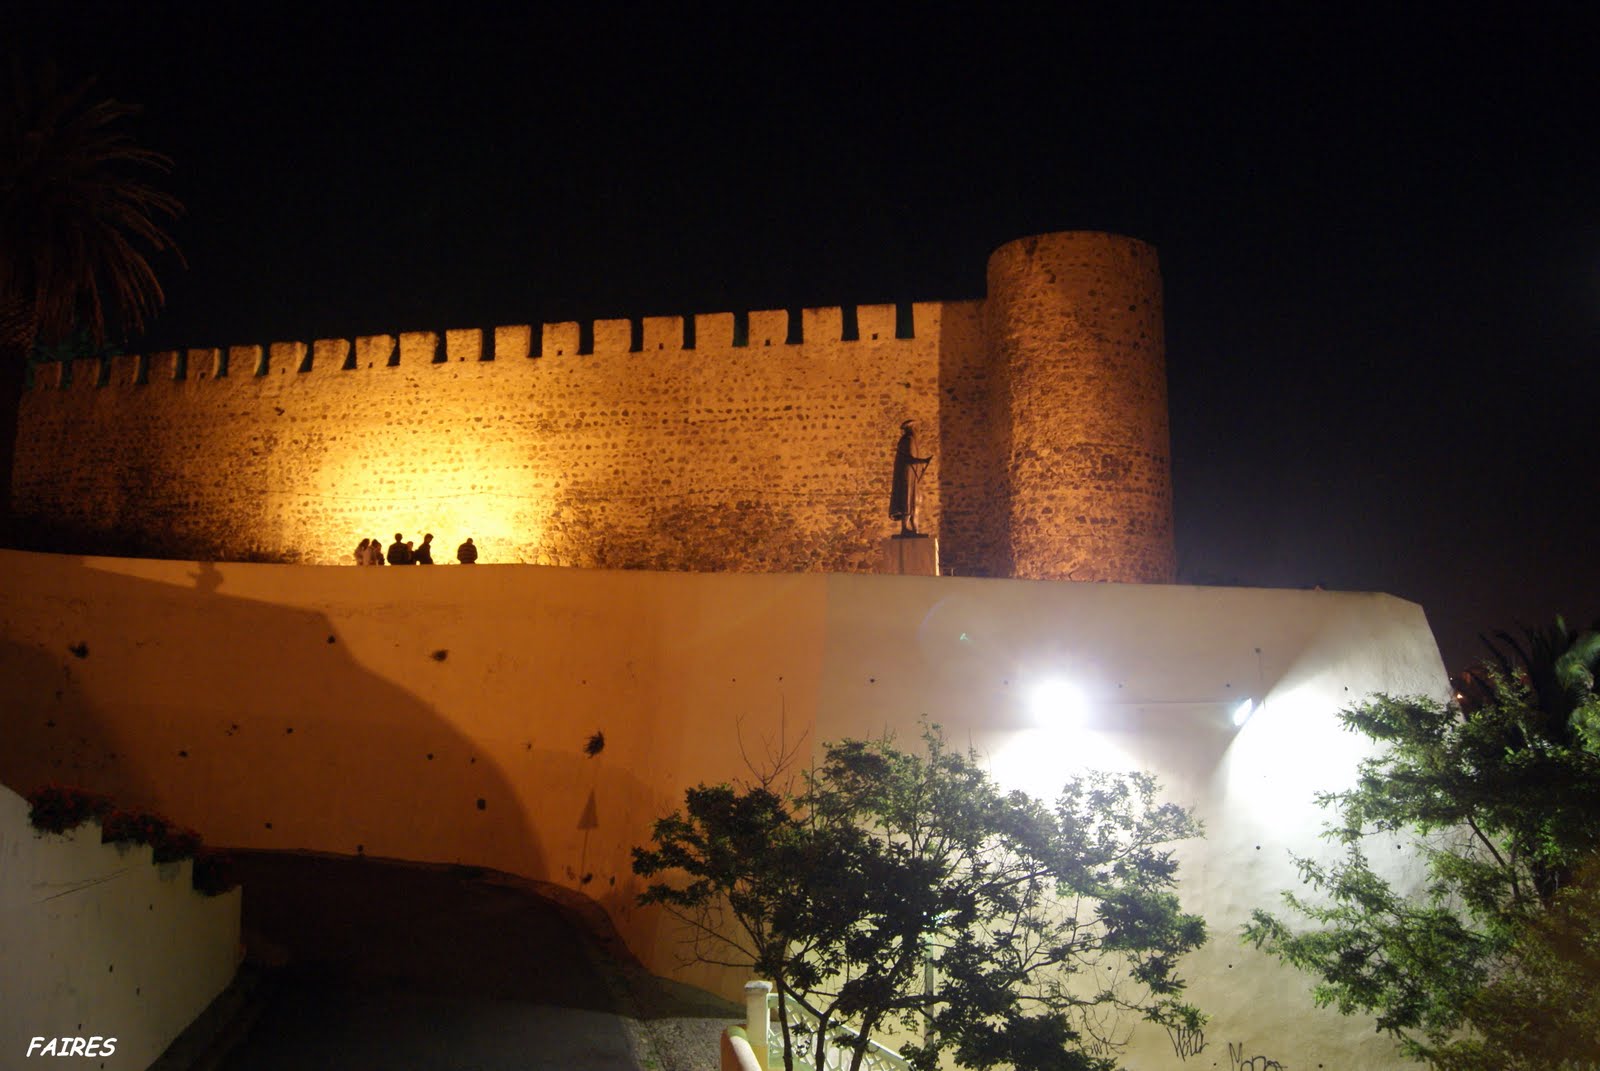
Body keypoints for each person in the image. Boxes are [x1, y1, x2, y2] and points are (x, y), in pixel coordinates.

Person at [889, 420, 932, 536]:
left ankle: (915, 529)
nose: (917, 430)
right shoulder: (908, 440)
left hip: (911, 475)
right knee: (908, 500)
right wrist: (923, 461)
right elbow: (909, 459)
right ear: (911, 428)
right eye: (915, 427)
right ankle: (905, 528)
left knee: (914, 502)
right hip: (908, 475)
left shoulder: (910, 440)